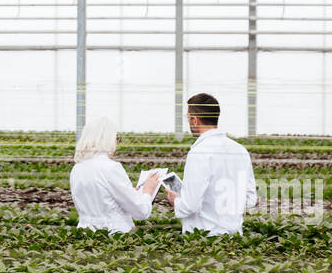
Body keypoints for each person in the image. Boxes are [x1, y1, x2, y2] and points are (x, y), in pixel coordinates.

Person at [165, 93, 257, 236]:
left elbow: (190, 205)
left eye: (188, 118)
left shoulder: (199, 152)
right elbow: (250, 199)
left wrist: (175, 200)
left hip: (204, 238)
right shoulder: (240, 150)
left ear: (194, 120)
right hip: (235, 238)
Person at [69, 116, 160, 234]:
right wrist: (148, 191)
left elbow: (101, 200)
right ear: (107, 139)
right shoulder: (111, 167)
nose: (117, 143)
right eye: (116, 138)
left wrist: (130, 193)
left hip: (85, 234)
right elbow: (141, 212)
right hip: (115, 235)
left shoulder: (77, 168)